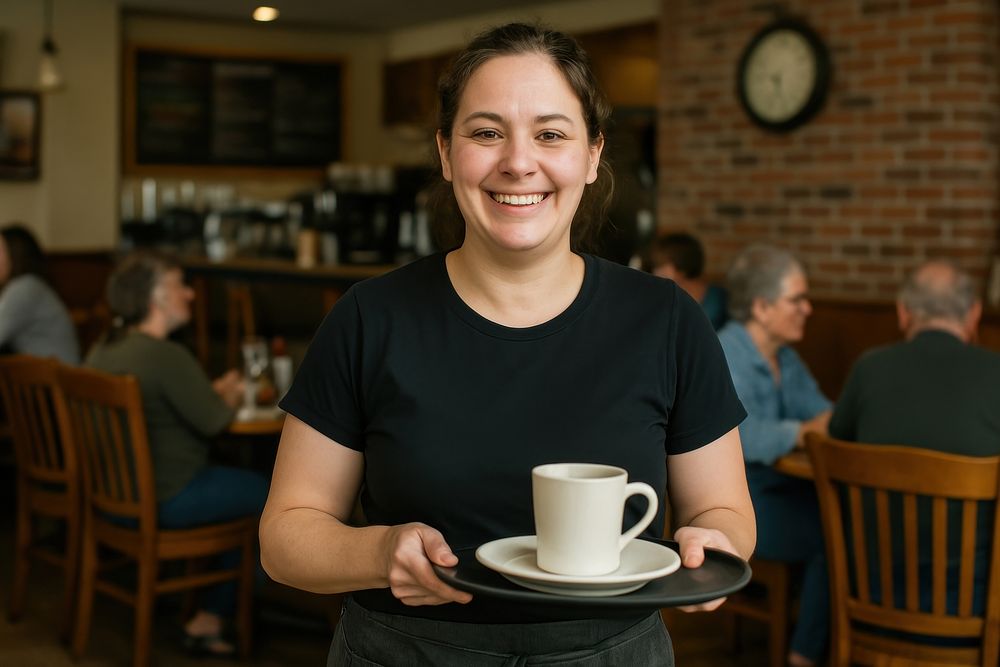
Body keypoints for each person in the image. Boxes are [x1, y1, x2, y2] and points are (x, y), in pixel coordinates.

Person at [259, 22, 755, 666]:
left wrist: (714, 543)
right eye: (486, 132)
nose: (518, 162)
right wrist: (377, 554)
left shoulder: (666, 319)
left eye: (550, 134)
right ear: (445, 153)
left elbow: (726, 509)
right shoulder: (368, 317)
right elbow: (285, 537)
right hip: (405, 652)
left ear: (592, 154)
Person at [86, 252, 268, 657]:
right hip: (169, 497)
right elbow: (215, 421)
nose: (190, 293)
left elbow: (190, 407)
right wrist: (232, 392)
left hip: (112, 500)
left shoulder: (104, 348)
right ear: (156, 300)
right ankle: (212, 616)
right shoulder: (164, 356)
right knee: (276, 500)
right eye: (180, 285)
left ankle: (213, 601)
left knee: (238, 493)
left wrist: (210, 397)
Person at [829, 260, 1000, 617]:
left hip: (874, 588)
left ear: (903, 312)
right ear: (974, 314)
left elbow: (835, 441)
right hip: (976, 601)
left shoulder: (869, 368)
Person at [716, 244, 831, 667]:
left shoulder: (786, 357)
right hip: (740, 504)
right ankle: (803, 655)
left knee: (852, 520)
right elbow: (734, 437)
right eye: (796, 299)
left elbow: (824, 414)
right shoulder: (724, 352)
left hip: (785, 490)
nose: (808, 308)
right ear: (763, 307)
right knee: (834, 536)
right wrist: (801, 432)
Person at [0, 224, 79, 364]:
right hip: (45, 380)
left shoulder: (25, 288)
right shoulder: (29, 286)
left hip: (60, 383)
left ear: (15, 253)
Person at [646, 231, 728, 330]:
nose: (655, 272)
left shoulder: (720, 299)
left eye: (660, 266)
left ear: (674, 267)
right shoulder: (661, 300)